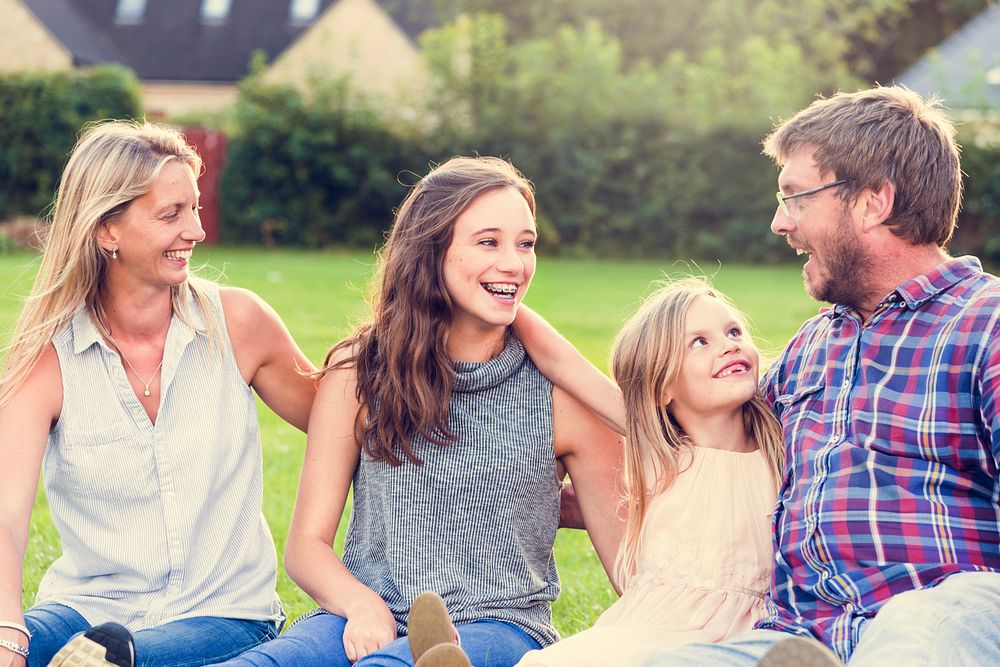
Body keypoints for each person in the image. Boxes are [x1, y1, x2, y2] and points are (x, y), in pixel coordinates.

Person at [524, 86, 1000, 666]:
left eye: (796, 198)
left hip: (935, 618)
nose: (780, 223)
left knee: (917, 622)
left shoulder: (986, 326)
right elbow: (694, 434)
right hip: (797, 639)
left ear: (873, 203)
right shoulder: (812, 348)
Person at [211, 156, 625, 667]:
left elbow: (633, 571)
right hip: (361, 615)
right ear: (432, 251)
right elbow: (307, 546)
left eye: (526, 243)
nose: (515, 263)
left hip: (498, 626)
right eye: (489, 242)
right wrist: (363, 607)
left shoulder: (560, 398)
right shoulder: (359, 374)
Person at [0, 121, 317, 667]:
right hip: (87, 605)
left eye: (194, 208)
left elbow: (346, 422)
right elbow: (5, 517)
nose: (195, 230)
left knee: (114, 659)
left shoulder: (239, 322)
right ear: (107, 231)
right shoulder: (46, 357)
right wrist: (7, 630)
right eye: (171, 214)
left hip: (224, 614)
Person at [497, 278, 782, 667]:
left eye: (733, 331)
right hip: (649, 630)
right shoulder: (659, 450)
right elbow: (564, 363)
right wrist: (500, 297)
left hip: (747, 635)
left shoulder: (781, 446)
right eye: (699, 342)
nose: (729, 344)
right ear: (663, 387)